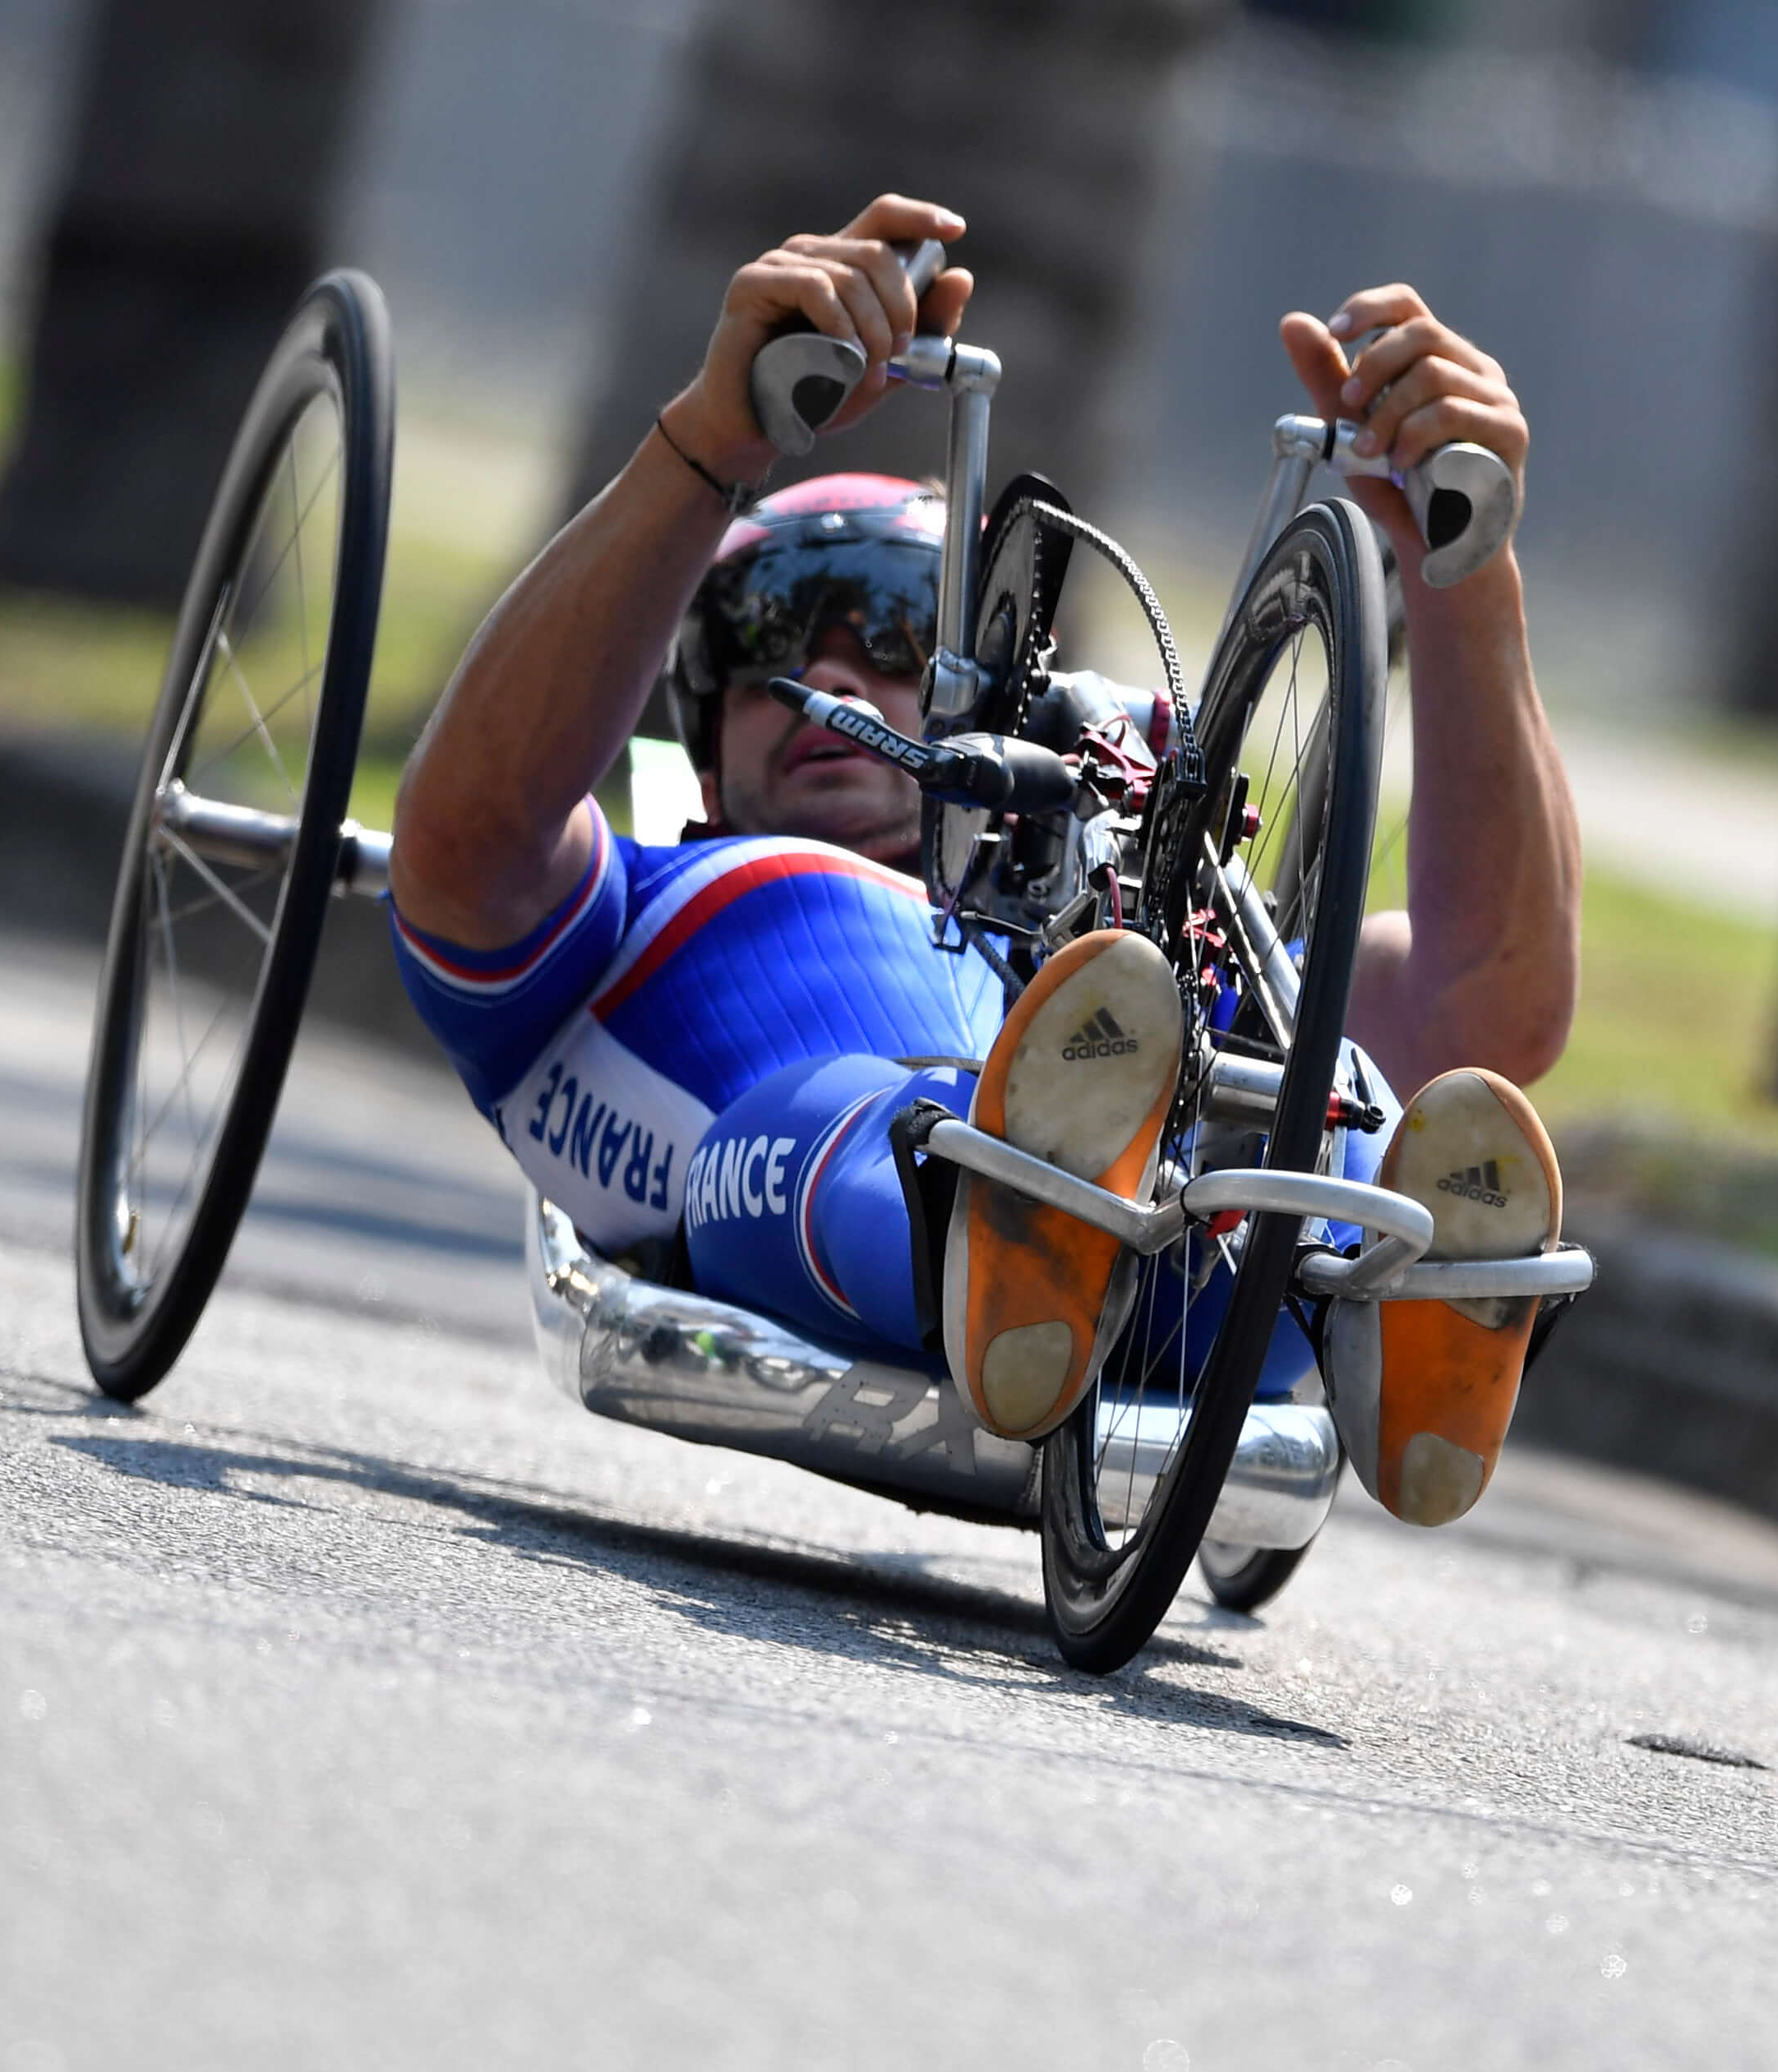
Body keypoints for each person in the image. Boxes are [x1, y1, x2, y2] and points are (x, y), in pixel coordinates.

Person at [387, 195, 1579, 1527]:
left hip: (1190, 1239)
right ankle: (1006, 1204)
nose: (832, 665)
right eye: (776, 634)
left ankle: (1400, 1304)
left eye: (898, 628)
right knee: (848, 1111)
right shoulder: (633, 909)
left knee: (1337, 1088)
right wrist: (710, 442)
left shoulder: (1140, 930)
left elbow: (1497, 999)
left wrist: (1462, 567)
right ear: (704, 744)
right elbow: (459, 849)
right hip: (811, 1179)